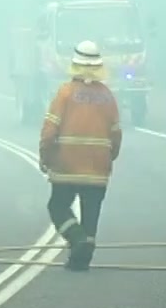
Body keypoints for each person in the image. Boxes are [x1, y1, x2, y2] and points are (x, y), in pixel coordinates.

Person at [39, 40, 122, 271]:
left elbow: (49, 131)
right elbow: (116, 134)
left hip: (67, 166)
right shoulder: (108, 97)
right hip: (98, 169)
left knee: (58, 206)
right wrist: (108, 158)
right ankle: (81, 259)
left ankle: (76, 239)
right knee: (91, 215)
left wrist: (46, 157)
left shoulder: (65, 93)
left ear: (74, 64)